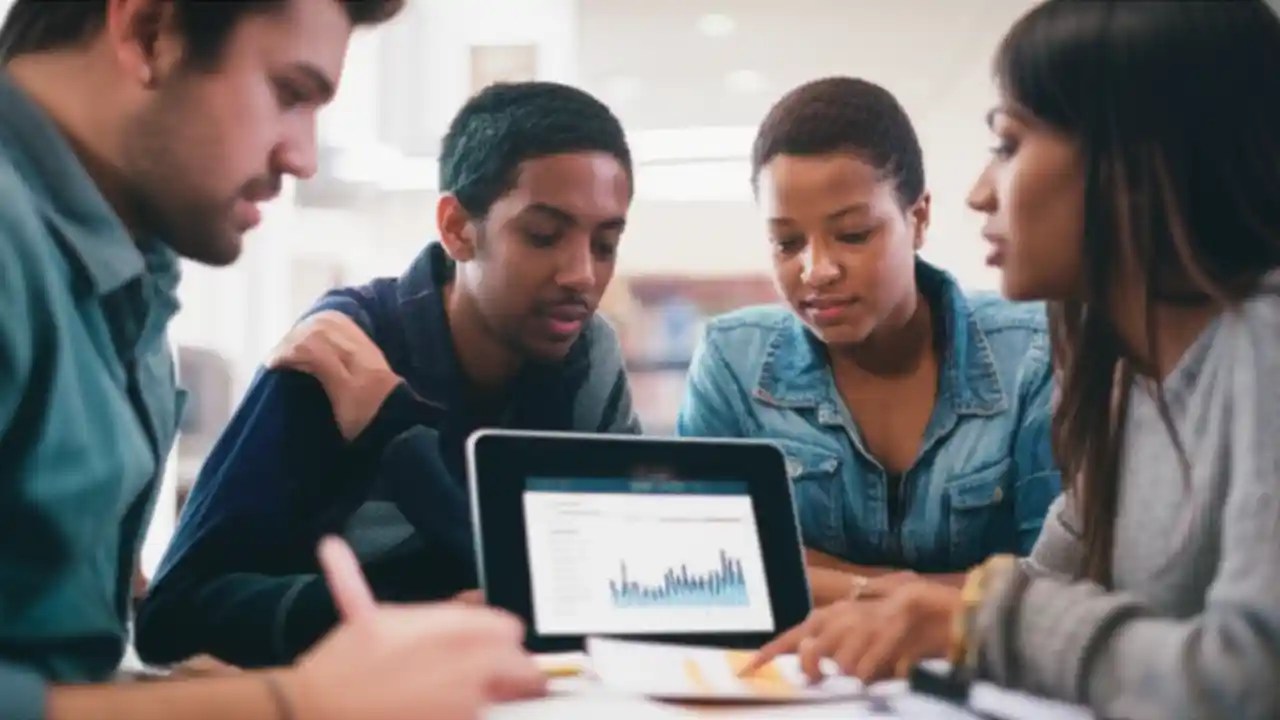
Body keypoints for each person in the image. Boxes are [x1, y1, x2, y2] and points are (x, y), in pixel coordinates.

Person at [0, 1, 545, 719]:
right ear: (149, 33)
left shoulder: (126, 283)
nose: (302, 157)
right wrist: (295, 702)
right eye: (290, 93)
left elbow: (54, 659)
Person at [745, 2, 1280, 718]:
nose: (981, 192)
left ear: (1135, 160)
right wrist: (938, 613)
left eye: (1009, 144)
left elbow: (1249, 682)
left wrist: (980, 618)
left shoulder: (1265, 349)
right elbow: (1044, 584)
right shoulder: (1126, 378)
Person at [135, 80, 640, 669]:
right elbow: (173, 616)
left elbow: (605, 594)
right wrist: (402, 618)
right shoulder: (342, 350)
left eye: (605, 245)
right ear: (456, 228)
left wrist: (396, 435)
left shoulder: (587, 357)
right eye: (544, 236)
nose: (582, 274)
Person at [676, 77, 1059, 606]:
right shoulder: (732, 362)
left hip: (977, 680)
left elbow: (1052, 584)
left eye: (853, 235)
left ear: (918, 218)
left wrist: (817, 577)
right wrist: (907, 595)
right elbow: (709, 566)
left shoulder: (1033, 351)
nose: (816, 271)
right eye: (787, 243)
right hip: (793, 678)